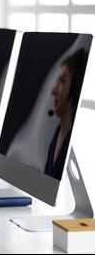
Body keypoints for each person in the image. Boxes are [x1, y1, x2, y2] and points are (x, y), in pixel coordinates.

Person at [45, 49, 87, 179]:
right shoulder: (55, 138)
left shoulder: (78, 143)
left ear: (75, 86)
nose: (53, 91)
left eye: (62, 81)